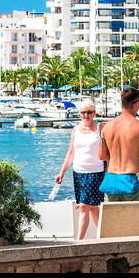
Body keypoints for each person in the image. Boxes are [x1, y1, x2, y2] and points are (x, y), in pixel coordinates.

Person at [55, 98, 104, 238]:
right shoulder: (75, 130)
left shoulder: (101, 128)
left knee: (88, 207)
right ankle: (103, 236)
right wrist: (61, 172)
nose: (86, 115)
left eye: (89, 112)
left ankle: (80, 241)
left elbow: (110, 149)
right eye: (83, 112)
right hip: (79, 173)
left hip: (96, 172)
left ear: (94, 113)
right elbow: (71, 153)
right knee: (88, 207)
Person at [98, 87, 139, 201]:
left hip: (112, 179)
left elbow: (102, 155)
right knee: (135, 218)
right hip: (131, 180)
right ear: (137, 104)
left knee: (115, 218)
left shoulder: (107, 126)